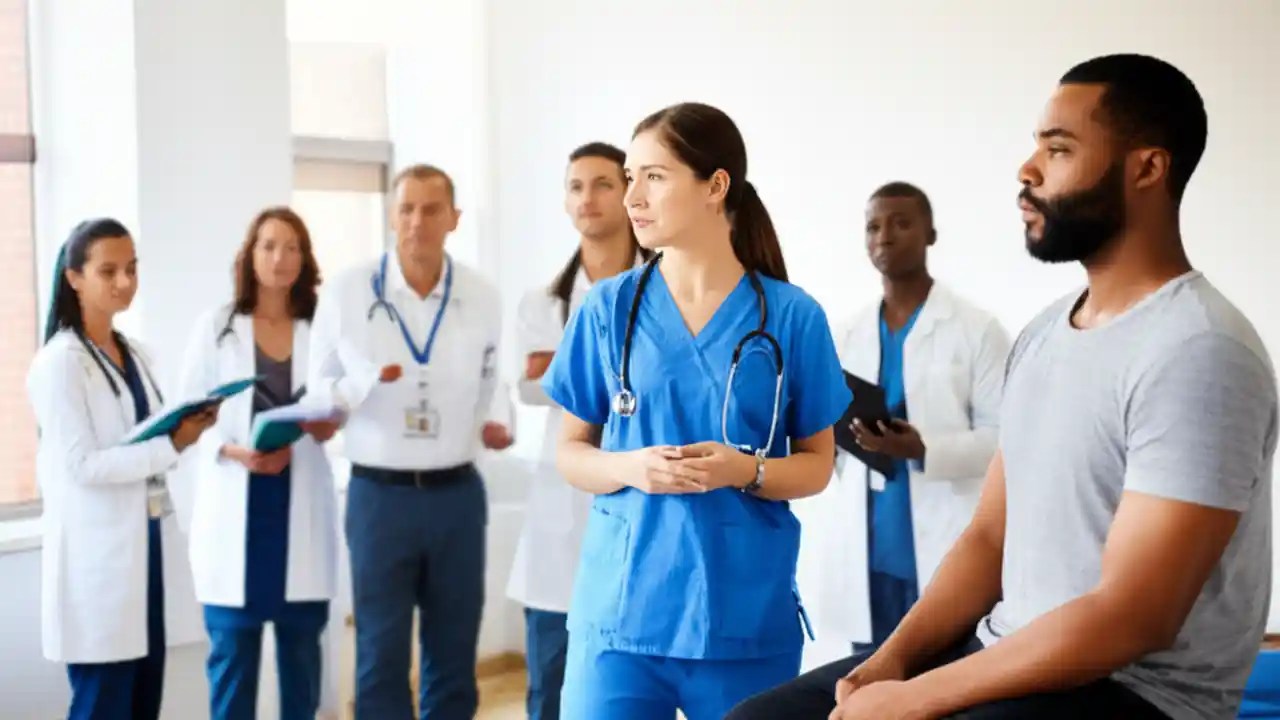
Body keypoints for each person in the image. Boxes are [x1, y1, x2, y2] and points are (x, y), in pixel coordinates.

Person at [727, 53, 1277, 720]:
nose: (1027, 169)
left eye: (1059, 148)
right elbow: (989, 539)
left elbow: (1133, 617)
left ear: (1147, 168)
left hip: (1131, 693)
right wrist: (891, 663)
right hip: (1001, 649)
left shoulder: (1199, 350)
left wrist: (915, 700)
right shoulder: (1046, 334)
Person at [541, 102, 852, 720]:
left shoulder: (791, 317)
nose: (632, 196)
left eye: (653, 177)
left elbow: (818, 465)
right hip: (621, 617)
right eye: (630, 176)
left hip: (740, 618)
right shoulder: (607, 310)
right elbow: (571, 454)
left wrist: (746, 470)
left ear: (715, 186)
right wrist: (632, 468)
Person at [308, 164, 515, 719]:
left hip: (457, 495)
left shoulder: (482, 295)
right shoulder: (350, 291)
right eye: (406, 209)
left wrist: (498, 421)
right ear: (390, 215)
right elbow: (318, 386)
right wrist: (361, 386)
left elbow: (495, 381)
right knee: (380, 649)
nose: (416, 222)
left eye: (430, 210)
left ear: (454, 218)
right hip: (381, 497)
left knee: (452, 651)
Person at [794, 182, 1009, 661]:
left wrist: (924, 448)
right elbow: (821, 431)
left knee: (948, 676)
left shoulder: (978, 330)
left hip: (949, 540)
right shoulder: (844, 333)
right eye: (873, 226)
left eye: (901, 223)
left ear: (931, 234)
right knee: (869, 681)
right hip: (868, 550)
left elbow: (1008, 440)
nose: (884, 236)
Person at [26, 218, 217, 720]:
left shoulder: (137, 354)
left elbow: (148, 439)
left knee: (141, 706)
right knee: (103, 706)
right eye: (108, 271)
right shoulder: (60, 362)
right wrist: (173, 442)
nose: (125, 282)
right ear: (74, 277)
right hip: (100, 569)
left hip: (147, 556)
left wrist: (185, 429)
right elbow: (81, 465)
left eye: (131, 269)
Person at [505, 141, 650, 720]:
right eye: (575, 186)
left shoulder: (664, 290)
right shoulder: (542, 302)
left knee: (630, 690)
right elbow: (528, 385)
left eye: (602, 184)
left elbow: (553, 379)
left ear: (630, 191)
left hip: (641, 504)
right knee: (550, 686)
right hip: (559, 513)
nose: (587, 198)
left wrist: (564, 368)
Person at [176, 207, 340, 720]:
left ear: (305, 259)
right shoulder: (217, 327)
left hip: (300, 502)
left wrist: (328, 425)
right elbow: (186, 418)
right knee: (232, 671)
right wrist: (231, 451)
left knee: (301, 673)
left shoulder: (322, 328)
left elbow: (339, 404)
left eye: (292, 247)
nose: (280, 257)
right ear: (250, 255)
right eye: (269, 245)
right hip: (236, 511)